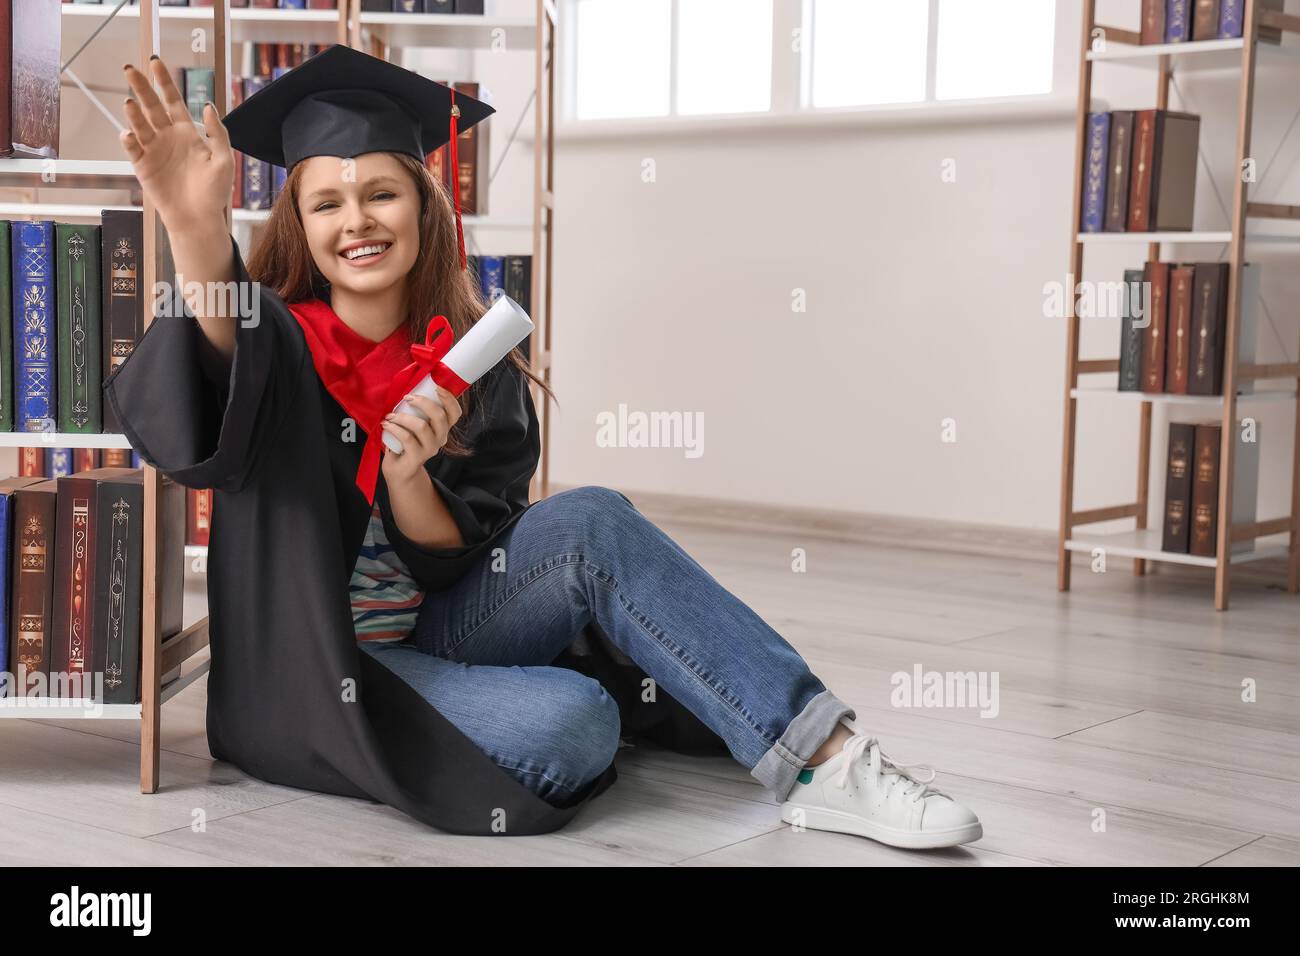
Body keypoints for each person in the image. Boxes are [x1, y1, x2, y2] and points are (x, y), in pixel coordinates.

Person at [108, 44, 982, 850]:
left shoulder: (472, 360)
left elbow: (468, 559)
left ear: (423, 203)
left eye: (381, 192)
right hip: (322, 670)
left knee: (594, 520)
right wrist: (195, 233)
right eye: (327, 202)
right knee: (576, 722)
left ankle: (826, 760)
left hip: (442, 632)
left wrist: (410, 475)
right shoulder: (281, 345)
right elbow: (212, 375)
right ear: (299, 222)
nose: (357, 221)